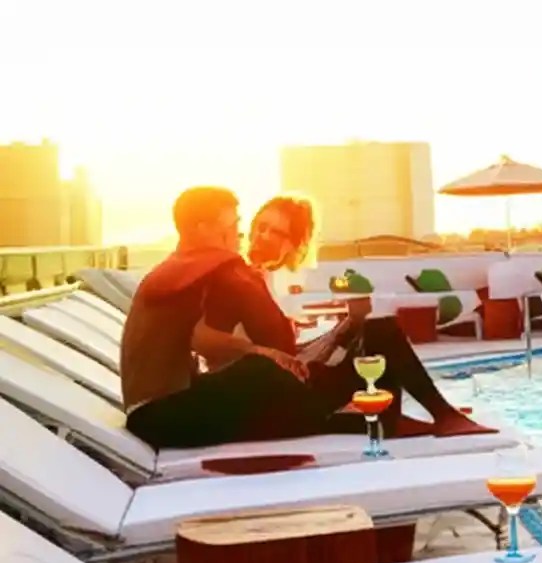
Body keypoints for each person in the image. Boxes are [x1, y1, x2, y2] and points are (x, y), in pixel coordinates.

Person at [192, 194, 492, 438]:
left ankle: (396, 419)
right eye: (261, 226)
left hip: (280, 390)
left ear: (295, 243)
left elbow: (287, 355)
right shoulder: (235, 280)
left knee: (368, 334)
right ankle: (437, 415)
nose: (263, 236)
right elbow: (217, 349)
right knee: (381, 332)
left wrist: (345, 329)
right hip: (264, 402)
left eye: (276, 232)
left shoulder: (265, 279)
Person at [120, 187, 356, 449]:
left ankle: (332, 411)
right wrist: (260, 351)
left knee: (260, 369)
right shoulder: (201, 266)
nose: (238, 234)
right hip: (159, 417)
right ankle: (332, 412)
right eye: (231, 226)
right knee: (259, 369)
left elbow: (197, 335)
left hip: (154, 413)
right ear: (202, 229)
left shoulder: (183, 267)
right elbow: (201, 339)